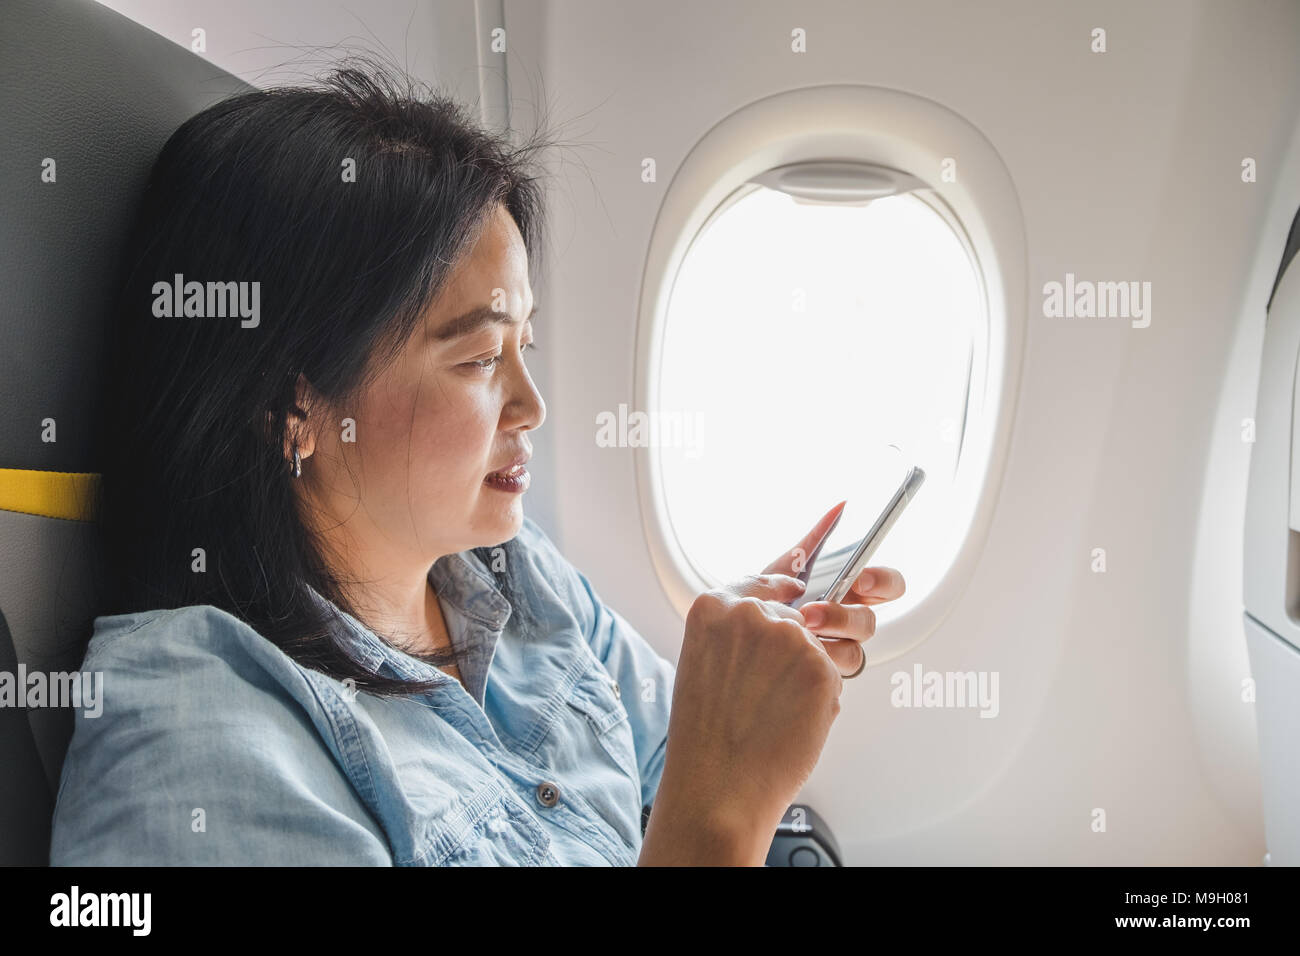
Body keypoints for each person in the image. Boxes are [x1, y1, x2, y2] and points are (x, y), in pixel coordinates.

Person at [49, 61, 904, 866]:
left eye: (523, 346)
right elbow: (704, 800)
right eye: (479, 359)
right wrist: (724, 819)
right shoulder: (199, 734)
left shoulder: (511, 571)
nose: (534, 407)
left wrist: (743, 664)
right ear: (293, 409)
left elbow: (678, 754)